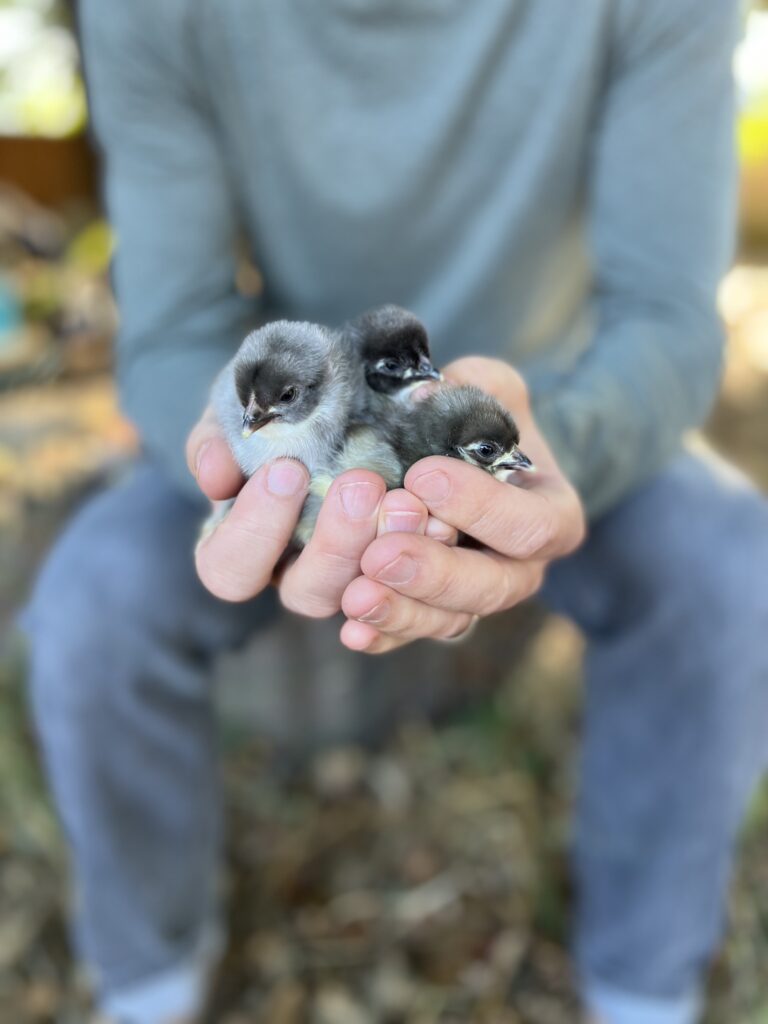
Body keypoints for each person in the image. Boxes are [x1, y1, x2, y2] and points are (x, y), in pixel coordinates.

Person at [22, 1, 768, 1022]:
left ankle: (644, 981)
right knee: (91, 598)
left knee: (730, 564)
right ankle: (150, 977)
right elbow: (173, 332)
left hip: (540, 412)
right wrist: (252, 460)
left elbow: (667, 321)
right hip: (297, 438)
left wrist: (546, 448)